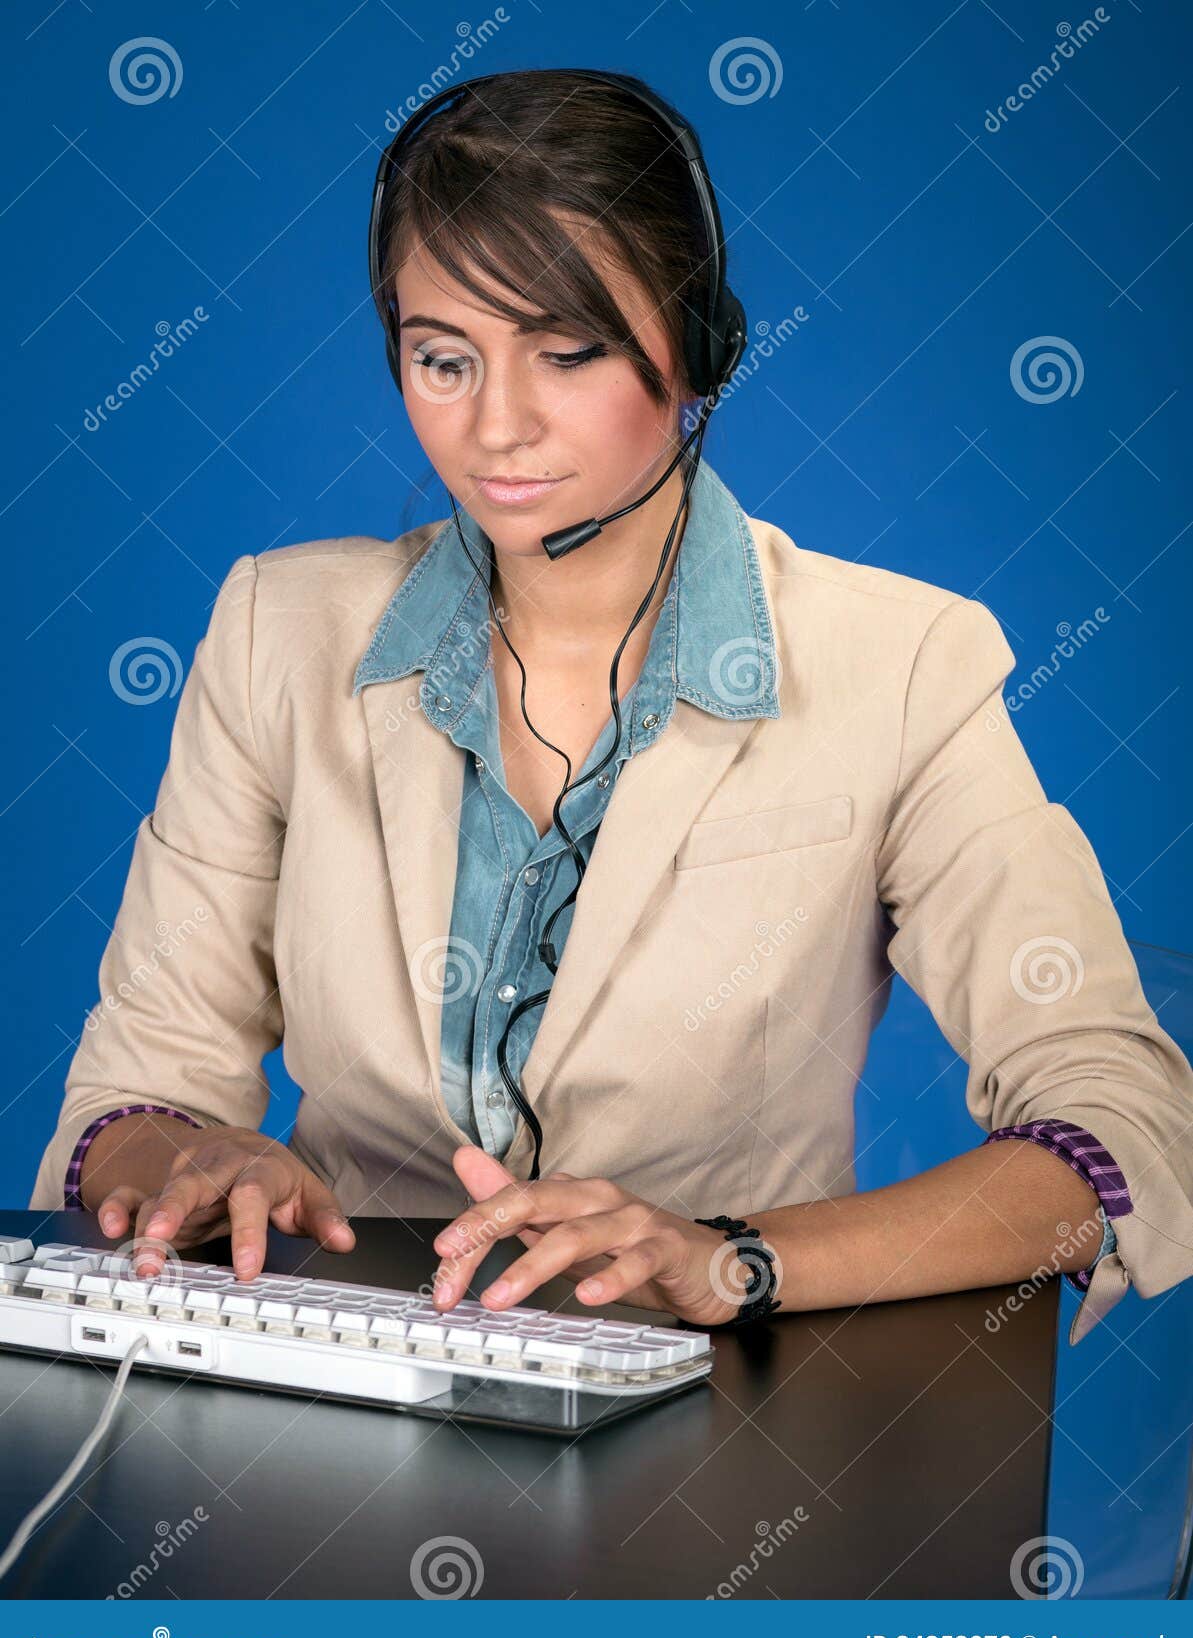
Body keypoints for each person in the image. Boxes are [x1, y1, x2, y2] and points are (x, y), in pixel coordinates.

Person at [31, 69, 1193, 1345]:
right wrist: (187, 1163)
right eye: (442, 358)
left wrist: (734, 1261)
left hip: (724, 1406)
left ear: (697, 348)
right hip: (343, 1378)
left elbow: (1121, 1120)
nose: (495, 427)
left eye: (567, 352)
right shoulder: (277, 631)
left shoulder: (903, 664)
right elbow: (136, 1088)